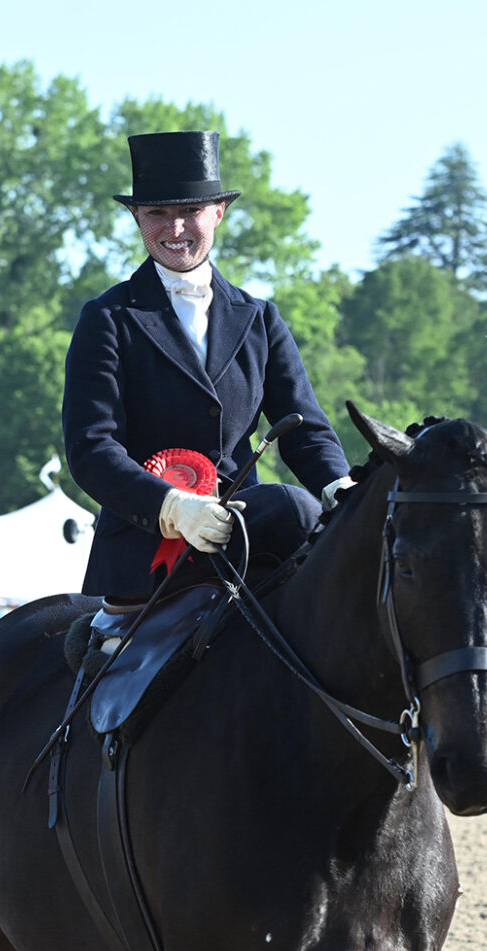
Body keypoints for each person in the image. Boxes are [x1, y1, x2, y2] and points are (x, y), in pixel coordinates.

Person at [63, 131, 352, 602]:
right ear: (137, 217)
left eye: (189, 213)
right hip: (143, 554)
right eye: (158, 213)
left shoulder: (260, 319)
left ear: (217, 213)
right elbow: (91, 449)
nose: (175, 230)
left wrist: (340, 489)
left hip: (248, 544)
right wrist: (172, 507)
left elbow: (304, 430)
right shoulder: (108, 319)